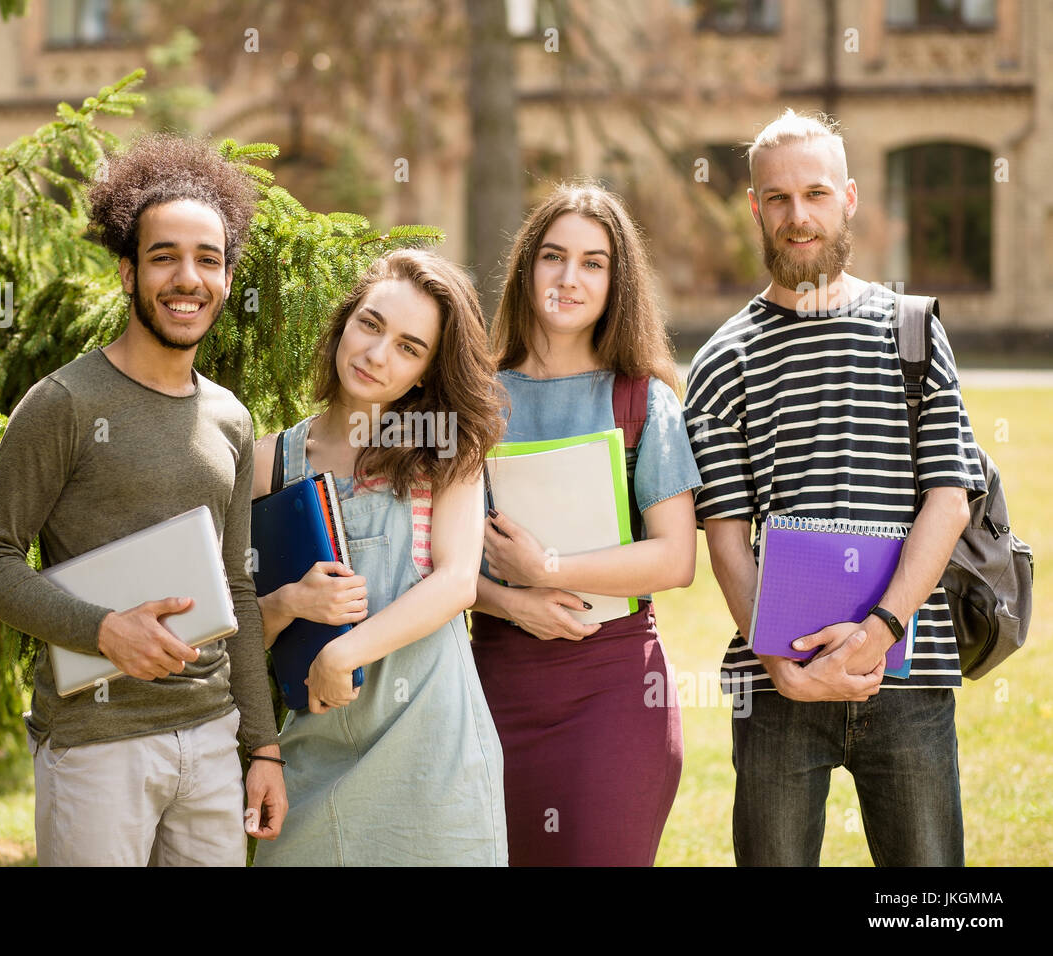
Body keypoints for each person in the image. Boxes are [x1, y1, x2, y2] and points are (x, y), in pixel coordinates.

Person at [0, 133, 286, 866]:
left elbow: (236, 586)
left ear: (228, 279)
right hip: (96, 744)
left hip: (210, 739)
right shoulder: (64, 402)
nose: (187, 277)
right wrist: (105, 630)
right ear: (126, 272)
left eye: (208, 259)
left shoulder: (231, 418)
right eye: (164, 256)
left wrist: (260, 745)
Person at [683, 109, 986, 866]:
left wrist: (880, 629)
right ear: (755, 208)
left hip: (910, 676)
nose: (798, 216)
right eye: (777, 199)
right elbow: (725, 538)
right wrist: (780, 662)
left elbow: (949, 499)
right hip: (778, 686)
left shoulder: (913, 329)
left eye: (815, 194)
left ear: (849, 198)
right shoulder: (724, 360)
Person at [468, 182, 702, 866]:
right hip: (495, 682)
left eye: (594, 263)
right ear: (525, 268)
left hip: (614, 689)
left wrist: (549, 569)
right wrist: (513, 600)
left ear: (616, 282)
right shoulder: (474, 399)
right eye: (553, 256)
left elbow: (675, 559)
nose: (570, 278)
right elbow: (432, 558)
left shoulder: (642, 400)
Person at [250, 249, 508, 866]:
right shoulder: (269, 464)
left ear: (425, 372)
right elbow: (236, 629)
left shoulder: (445, 453)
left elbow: (455, 583)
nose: (375, 354)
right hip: (311, 757)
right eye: (370, 324)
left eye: (408, 347)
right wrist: (288, 603)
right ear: (345, 322)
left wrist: (345, 651)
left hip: (434, 757)